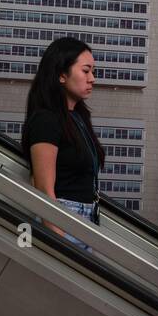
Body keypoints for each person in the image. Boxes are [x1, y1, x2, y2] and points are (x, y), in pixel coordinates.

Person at [22, 38, 106, 244]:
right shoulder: (46, 119)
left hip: (85, 221)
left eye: (92, 71)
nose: (92, 78)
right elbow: (43, 189)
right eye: (85, 71)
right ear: (61, 75)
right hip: (63, 220)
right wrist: (59, 243)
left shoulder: (77, 118)